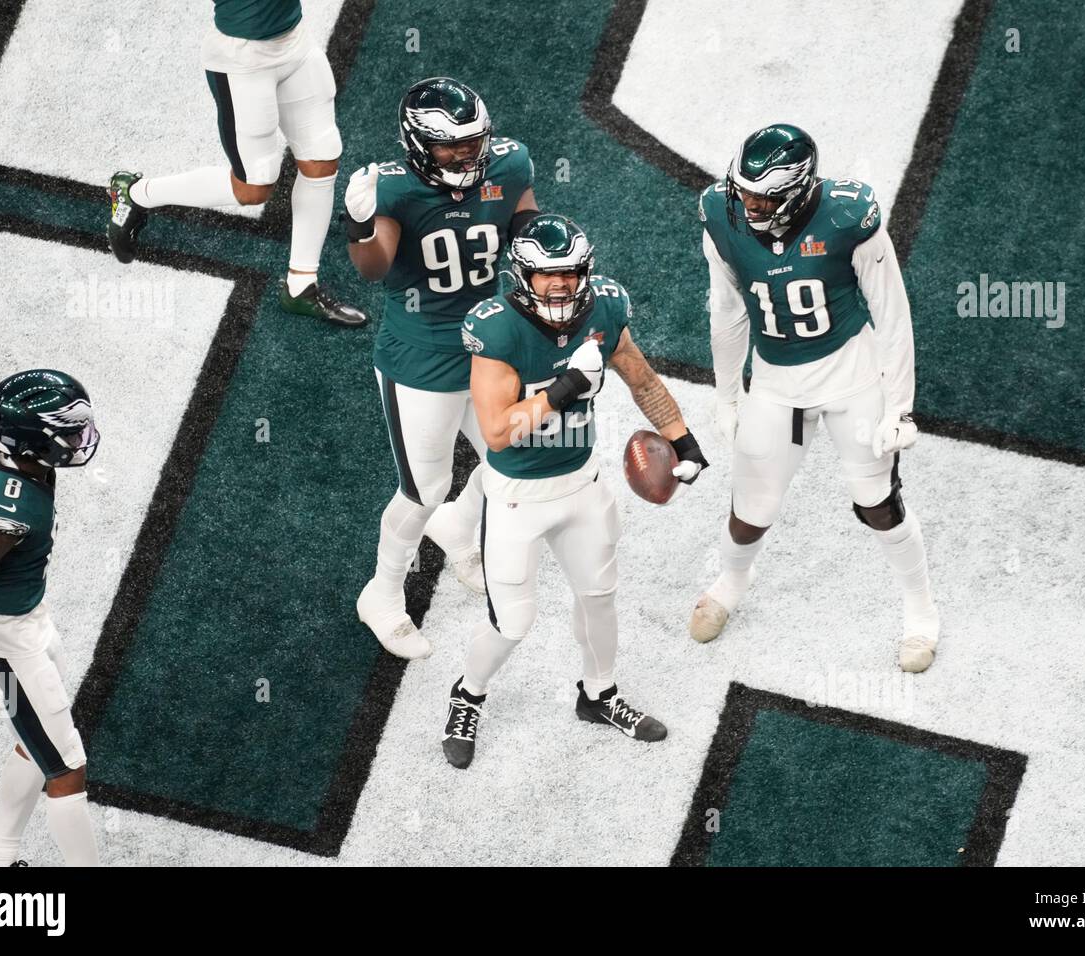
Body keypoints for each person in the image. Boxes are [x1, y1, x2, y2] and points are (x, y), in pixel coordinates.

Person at [441, 214, 709, 769]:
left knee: (599, 597)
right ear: (522, 276)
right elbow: (495, 431)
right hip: (516, 496)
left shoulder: (605, 308)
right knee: (512, 621)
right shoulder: (497, 329)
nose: (559, 285)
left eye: (568, 272)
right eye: (546, 275)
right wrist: (566, 389)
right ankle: (468, 694)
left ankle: (599, 695)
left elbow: (640, 377)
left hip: (583, 486)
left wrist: (682, 441)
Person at [692, 123, 939, 672]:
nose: (750, 204)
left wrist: (900, 406)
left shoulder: (849, 217)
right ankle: (732, 581)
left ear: (799, 190)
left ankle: (921, 611)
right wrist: (727, 395)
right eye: (745, 191)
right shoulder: (721, 213)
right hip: (777, 382)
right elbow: (727, 311)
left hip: (851, 374)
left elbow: (892, 314)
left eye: (764, 196)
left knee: (875, 501)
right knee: (751, 509)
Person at [344, 77, 538, 659]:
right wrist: (359, 225)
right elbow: (374, 269)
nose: (469, 153)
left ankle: (458, 527)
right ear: (419, 144)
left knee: (518, 459)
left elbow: (525, 227)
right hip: (421, 356)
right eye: (454, 145)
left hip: (488, 343)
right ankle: (380, 593)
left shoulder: (509, 164)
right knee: (424, 487)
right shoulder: (397, 190)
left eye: (476, 140)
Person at [106, 0, 365, 327]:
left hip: (295, 44)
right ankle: (136, 193)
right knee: (252, 188)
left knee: (322, 159)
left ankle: (301, 285)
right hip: (243, 61)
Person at [0, 370, 102, 866]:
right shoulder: (3, 517)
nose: (78, 439)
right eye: (66, 431)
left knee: (39, 745)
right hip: (7, 638)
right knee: (67, 769)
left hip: (25, 617)